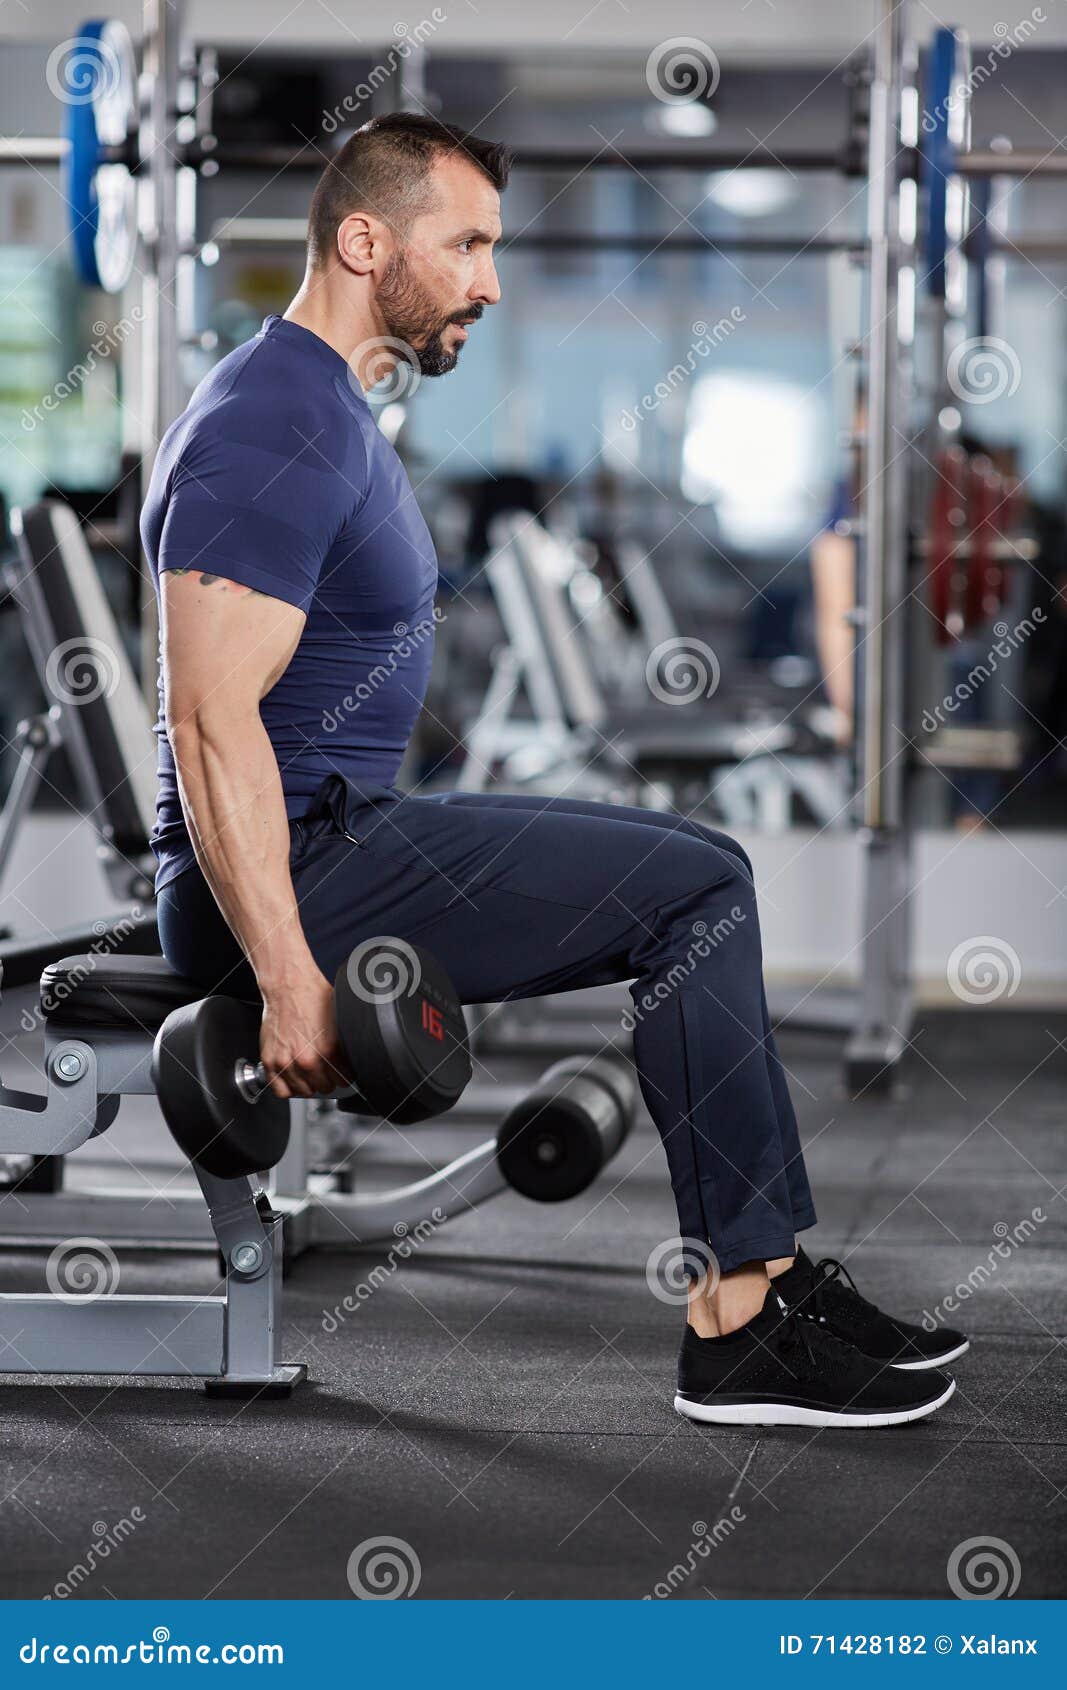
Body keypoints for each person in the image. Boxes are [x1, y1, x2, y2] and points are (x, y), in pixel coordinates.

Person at [142, 113, 968, 1429]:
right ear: (368, 240)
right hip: (300, 869)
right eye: (465, 242)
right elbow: (205, 720)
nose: (489, 277)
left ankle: (761, 1290)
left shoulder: (320, 407)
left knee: (695, 878)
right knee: (696, 888)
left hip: (344, 837)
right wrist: (292, 973)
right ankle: (744, 1317)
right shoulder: (272, 423)